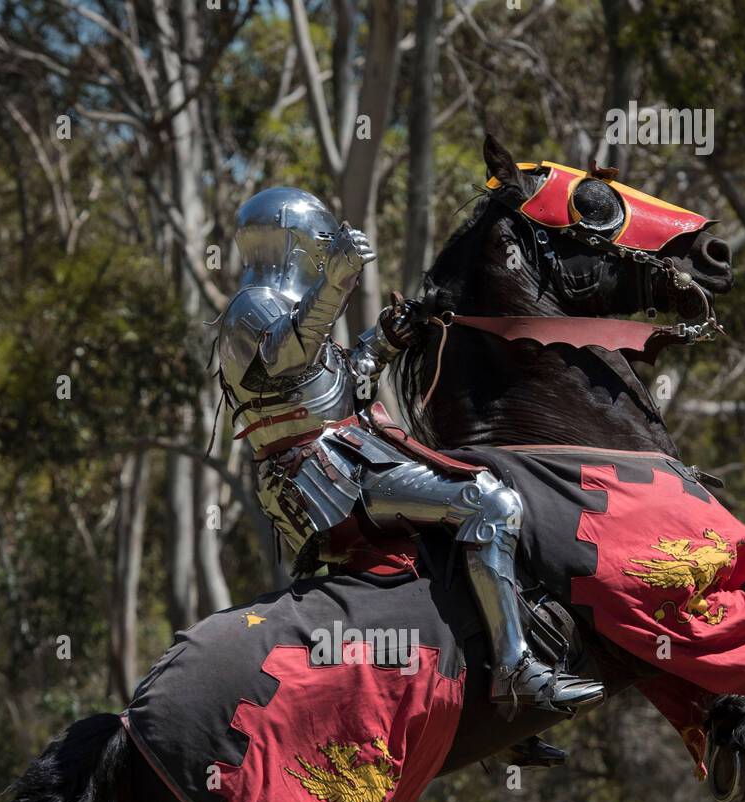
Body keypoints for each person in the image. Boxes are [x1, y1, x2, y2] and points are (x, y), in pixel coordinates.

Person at [217, 187, 602, 715]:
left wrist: (388, 339)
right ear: (294, 242)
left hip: (348, 457)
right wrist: (338, 280)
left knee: (451, 542)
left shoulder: (288, 309)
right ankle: (514, 671)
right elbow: (289, 355)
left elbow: (338, 381)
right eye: (323, 242)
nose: (329, 252)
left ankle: (483, 683)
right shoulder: (253, 307)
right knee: (490, 504)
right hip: (320, 472)